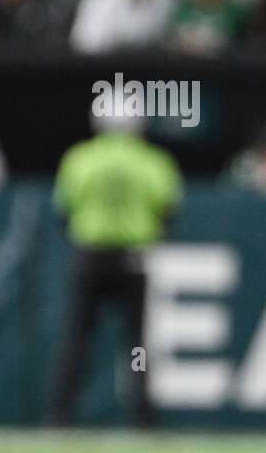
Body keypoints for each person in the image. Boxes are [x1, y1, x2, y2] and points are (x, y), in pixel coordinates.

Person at [46, 103, 183, 427]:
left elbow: (63, 213)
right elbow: (167, 213)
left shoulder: (79, 159)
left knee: (77, 340)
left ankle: (59, 419)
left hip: (91, 257)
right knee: (136, 344)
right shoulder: (153, 162)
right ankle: (144, 421)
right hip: (134, 259)